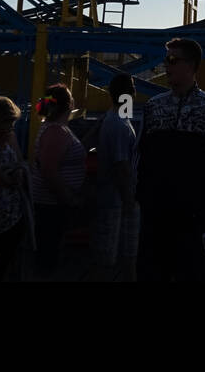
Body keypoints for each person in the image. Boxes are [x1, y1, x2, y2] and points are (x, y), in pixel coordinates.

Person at [136, 38, 205, 282]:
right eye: (165, 60)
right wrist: (142, 193)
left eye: (172, 60)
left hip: (191, 216)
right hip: (154, 214)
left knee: (191, 272)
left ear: (190, 65)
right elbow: (140, 153)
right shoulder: (153, 106)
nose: (165, 66)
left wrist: (203, 196)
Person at [28, 83, 85, 275]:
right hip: (53, 204)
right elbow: (49, 171)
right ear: (69, 104)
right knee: (49, 255)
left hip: (50, 204)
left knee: (48, 251)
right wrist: (69, 199)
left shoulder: (53, 128)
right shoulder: (56, 132)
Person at [90, 73, 140, 281]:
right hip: (118, 199)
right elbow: (122, 165)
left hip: (111, 196)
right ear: (130, 93)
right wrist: (129, 199)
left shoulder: (112, 117)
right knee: (124, 255)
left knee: (110, 254)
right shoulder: (119, 124)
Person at [0, 96, 31, 282]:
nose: (7, 131)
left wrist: (18, 173)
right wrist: (1, 177)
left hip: (10, 217)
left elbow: (19, 162)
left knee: (5, 266)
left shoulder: (9, 137)